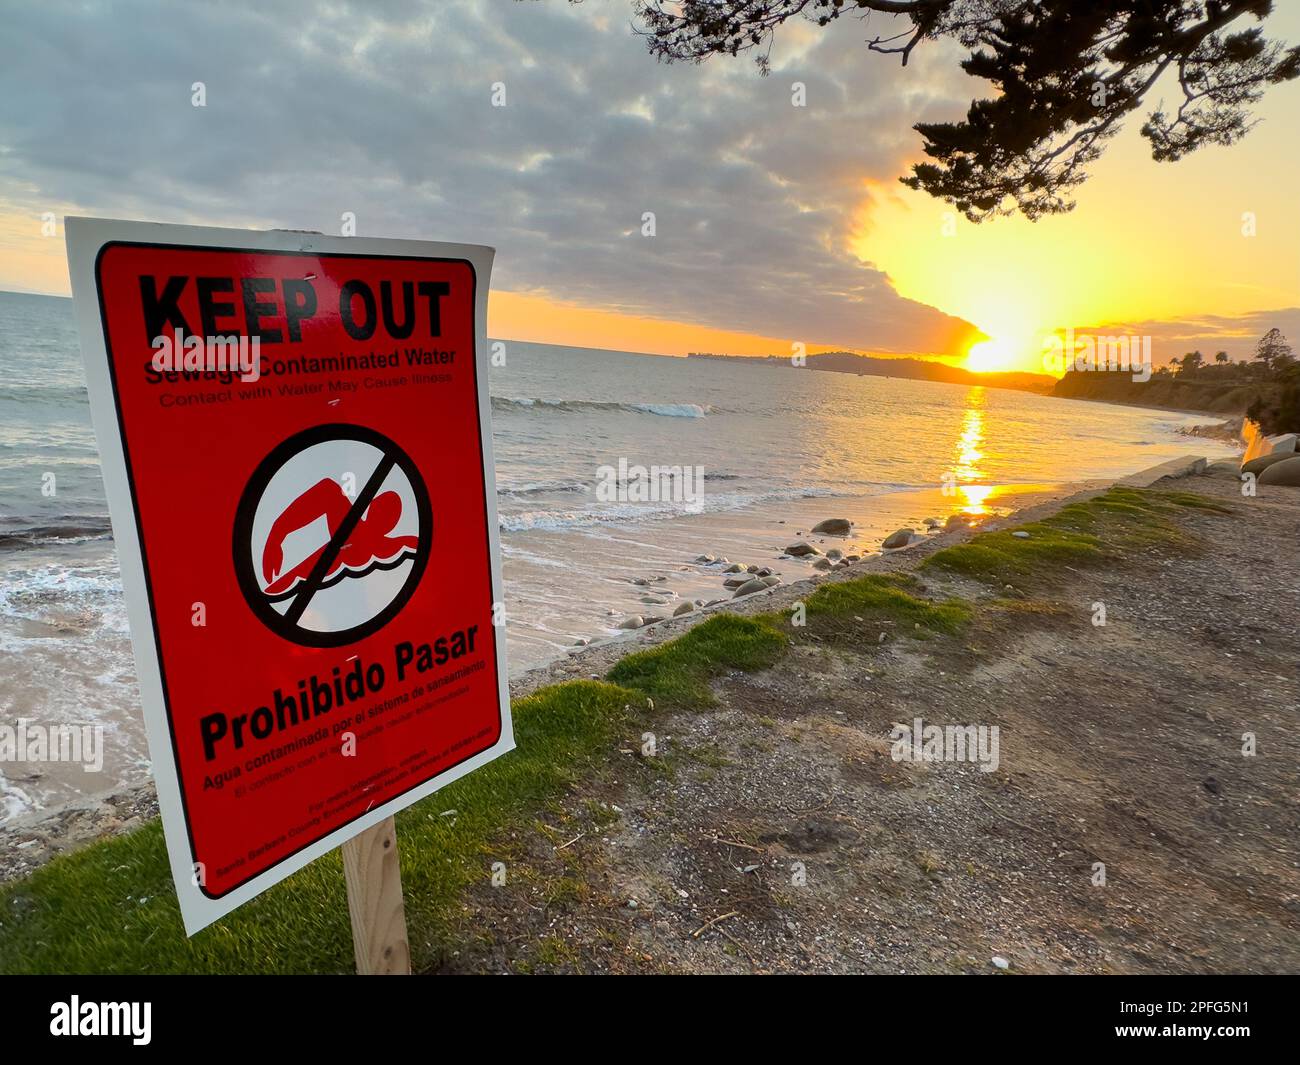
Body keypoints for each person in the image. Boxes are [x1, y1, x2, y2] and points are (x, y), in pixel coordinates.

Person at [261, 478, 418, 596]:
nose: (381, 514)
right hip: (320, 575)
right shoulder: (351, 528)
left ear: (393, 523)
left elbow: (416, 545)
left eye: (388, 513)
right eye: (380, 507)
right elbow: (328, 490)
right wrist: (276, 535)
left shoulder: (397, 544)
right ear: (370, 509)